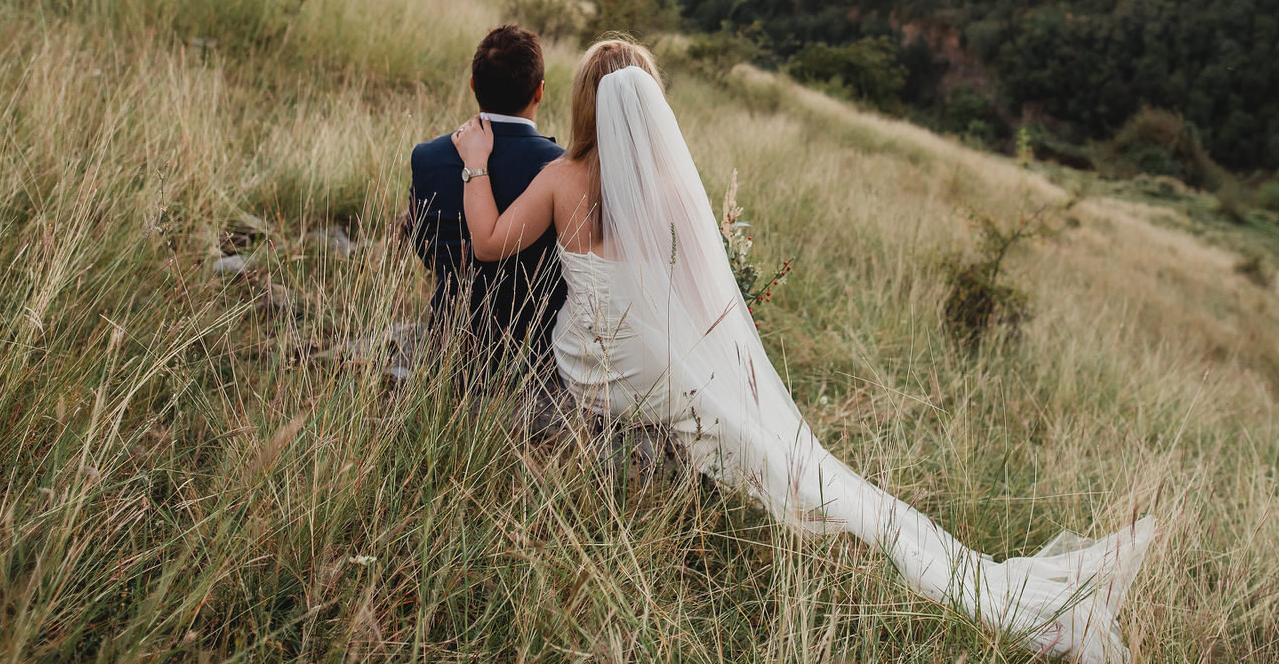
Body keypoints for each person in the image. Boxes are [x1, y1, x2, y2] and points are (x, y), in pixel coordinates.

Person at [452, 37, 1155, 663]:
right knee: (791, 469)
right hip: (661, 369)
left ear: (579, 103)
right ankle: (981, 585)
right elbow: (704, 296)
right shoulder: (670, 188)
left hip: (589, 373)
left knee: (777, 465)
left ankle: (1003, 597)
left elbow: (486, 243)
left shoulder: (559, 178)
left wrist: (476, 164)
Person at [408, 25, 568, 390]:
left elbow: (424, 243)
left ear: (472, 85)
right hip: (535, 354)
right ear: (540, 91)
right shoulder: (561, 168)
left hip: (447, 345)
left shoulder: (427, 157)